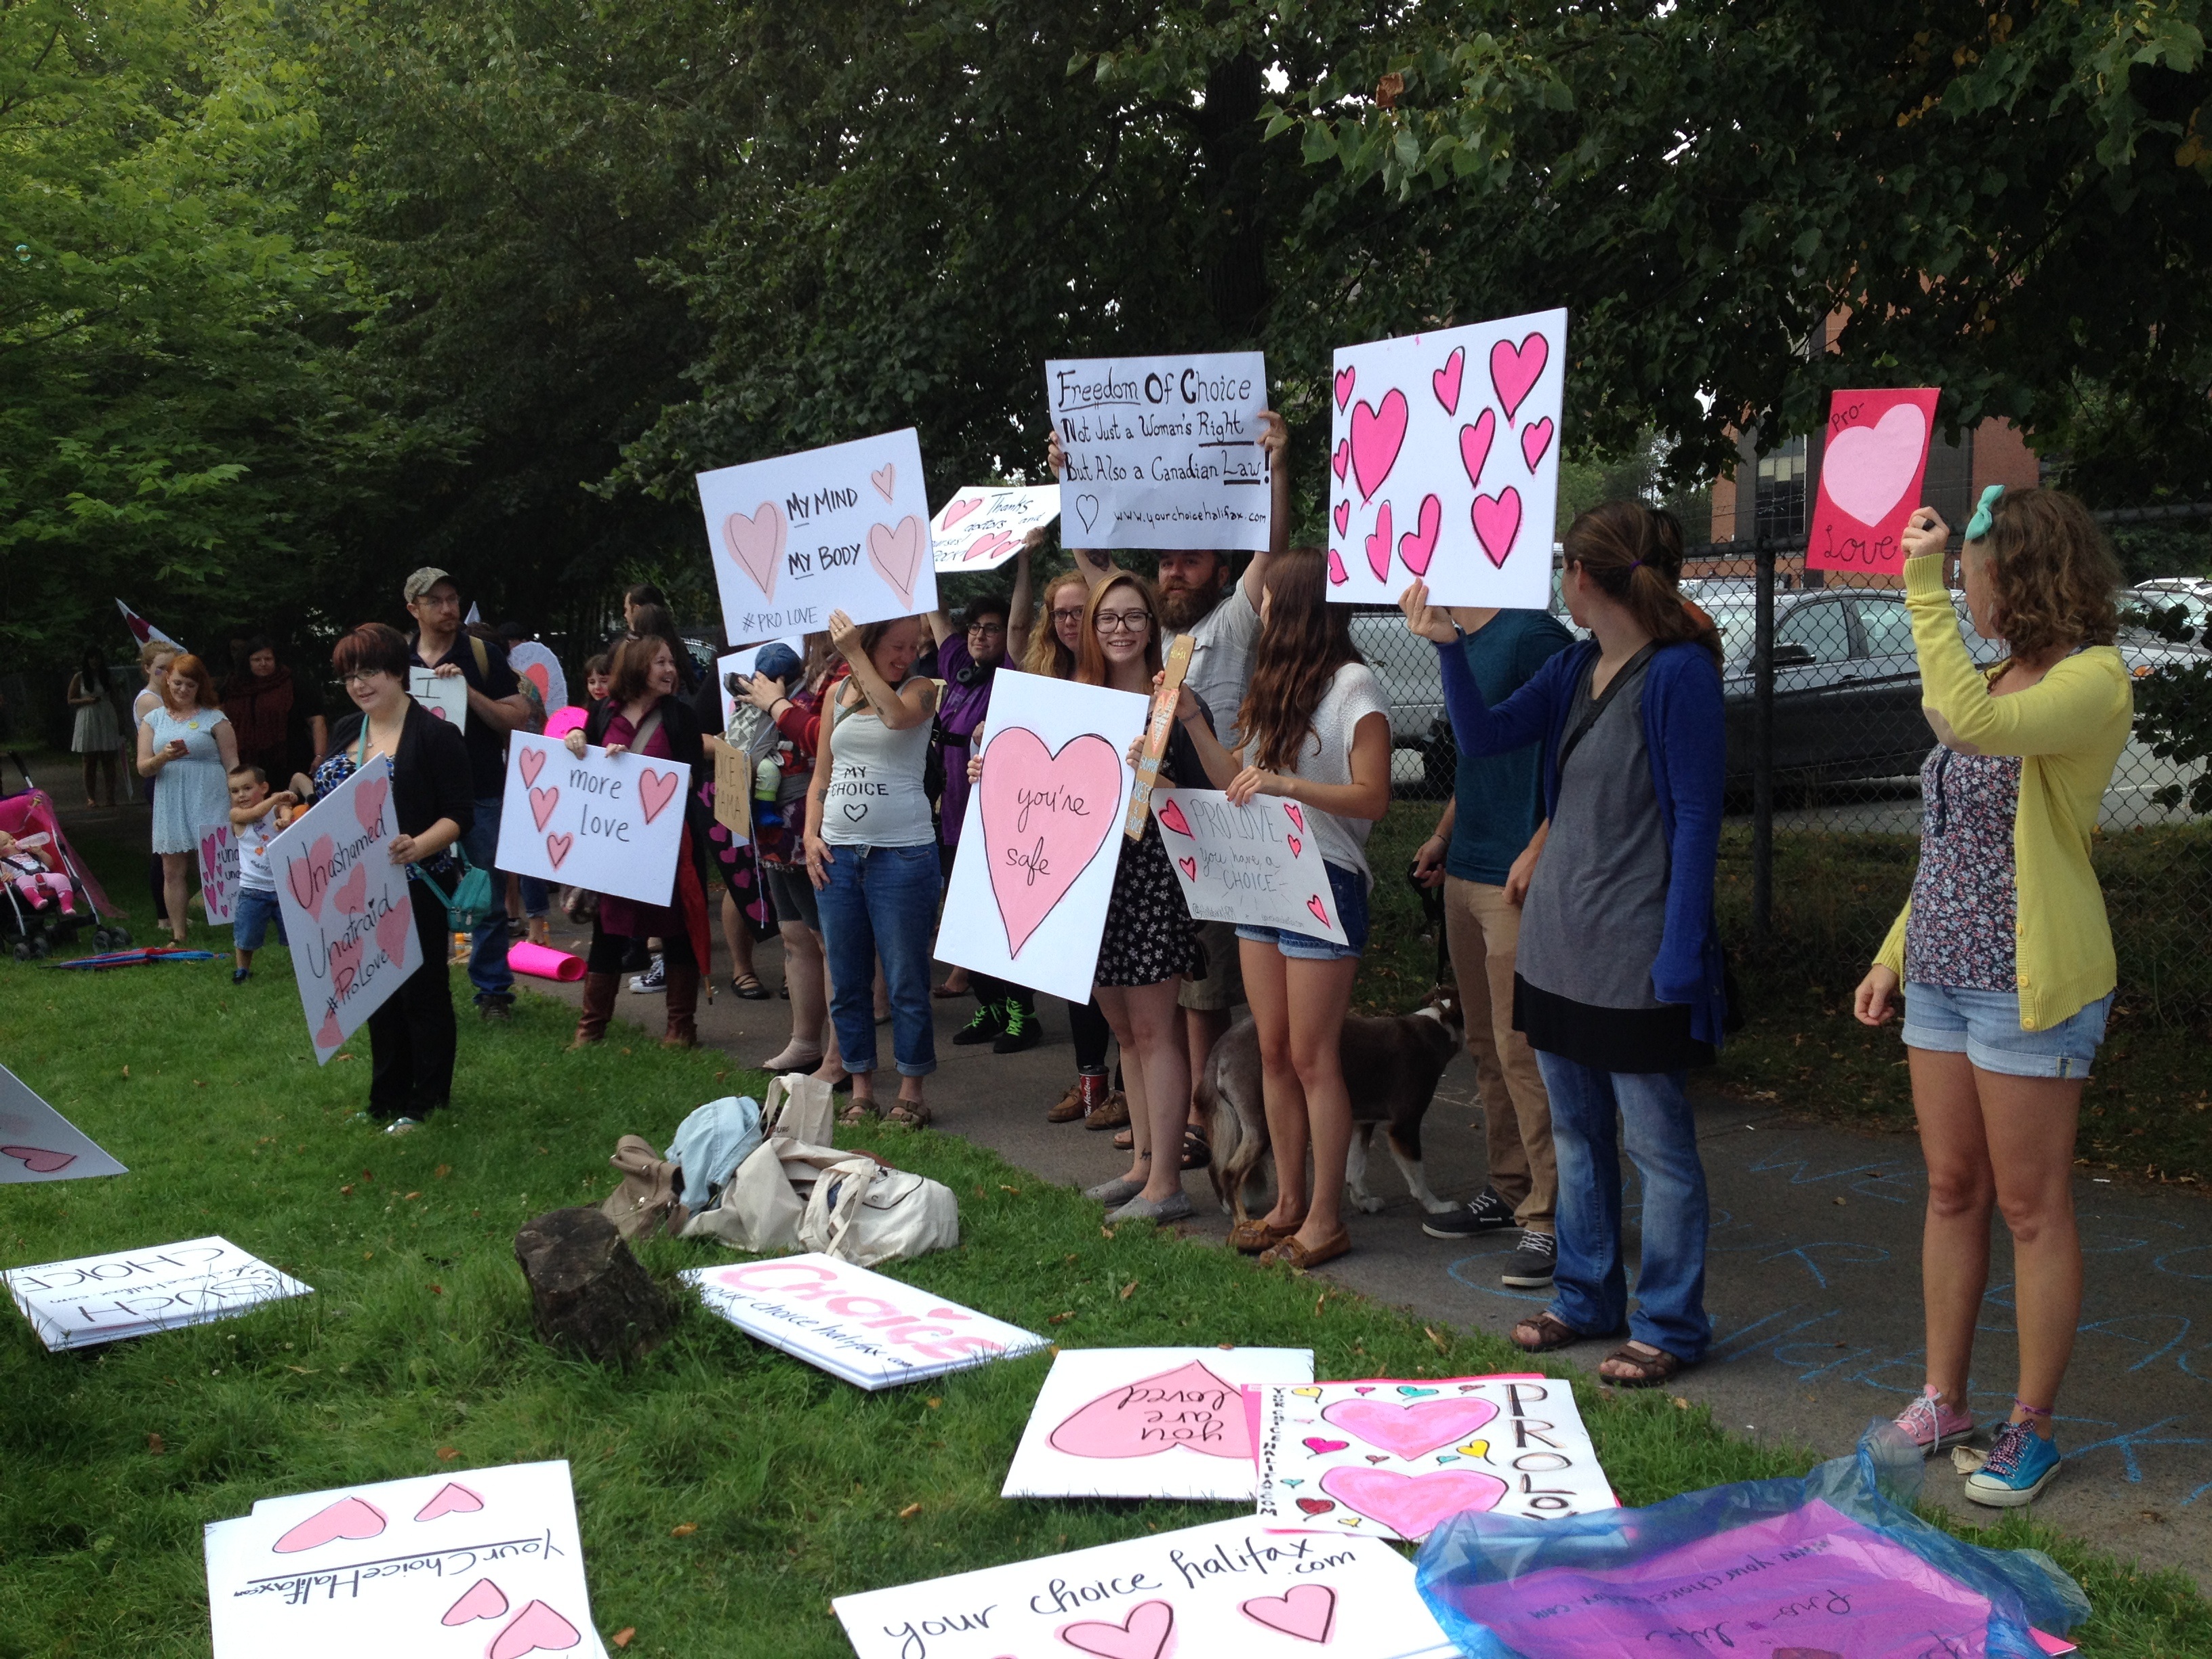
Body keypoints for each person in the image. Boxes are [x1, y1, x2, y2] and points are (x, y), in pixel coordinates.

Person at [1403, 500, 1728, 1389]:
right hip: (1559, 944)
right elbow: (1481, 738)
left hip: (1636, 951)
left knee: (1658, 1148)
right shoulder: (1581, 663)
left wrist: (1683, 949)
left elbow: (1698, 820)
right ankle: (1587, 1299)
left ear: (1585, 577)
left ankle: (1669, 1322)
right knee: (1579, 1137)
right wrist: (1445, 648)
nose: (1558, 583)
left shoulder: (1677, 676)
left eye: (1565, 569)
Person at [1851, 487, 2133, 1507]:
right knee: (1951, 1191)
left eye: (1970, 575)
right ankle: (1944, 1400)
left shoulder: (2095, 681)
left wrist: (1917, 590)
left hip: (2029, 982)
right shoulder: (1990, 670)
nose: (1961, 593)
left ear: (2022, 574)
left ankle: (2034, 1426)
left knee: (2029, 1205)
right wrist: (1894, 950)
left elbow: (1970, 730)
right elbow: (1951, 843)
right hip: (1940, 971)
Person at [1054, 410, 1292, 1150]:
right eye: (1165, 564)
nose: (1174, 572)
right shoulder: (1136, 634)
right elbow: (1098, 573)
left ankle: (1202, 1119)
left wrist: (1276, 470)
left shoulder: (1231, 625)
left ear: (1219, 570)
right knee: (1171, 997)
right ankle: (1179, 1119)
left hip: (1214, 821)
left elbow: (1270, 546)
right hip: (1139, 833)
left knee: (1208, 988)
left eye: (1190, 561)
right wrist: (1071, 473)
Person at [1171, 548, 1392, 1263]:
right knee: (1271, 1049)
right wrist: (1195, 722)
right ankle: (1291, 1200)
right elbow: (1239, 778)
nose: (1257, 609)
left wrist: (1287, 788)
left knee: (1311, 1056)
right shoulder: (1274, 684)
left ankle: (1326, 1218)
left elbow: (1373, 797)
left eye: (1268, 601)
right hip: (1265, 875)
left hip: (1325, 878)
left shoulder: (1356, 686)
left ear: (1295, 608)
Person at [1410, 598, 1575, 1288]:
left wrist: (1542, 842)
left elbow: (1571, 748)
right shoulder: (1455, 636)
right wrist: (1445, 834)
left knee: (1521, 1049)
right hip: (1467, 867)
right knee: (1482, 1044)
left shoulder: (1533, 635)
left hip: (1513, 876)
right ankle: (1508, 1188)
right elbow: (1481, 755)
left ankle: (1552, 1215)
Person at [1061, 572, 1210, 1222]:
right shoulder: (1072, 699)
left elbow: (1203, 796)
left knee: (1155, 1031)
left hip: (1148, 879)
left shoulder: (1173, 701)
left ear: (1154, 626)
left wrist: (1156, 775)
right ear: (1090, 630)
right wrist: (992, 767)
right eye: (1107, 619)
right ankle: (1144, 1166)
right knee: (1123, 1030)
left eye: (1134, 618)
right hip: (1087, 880)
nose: (1120, 630)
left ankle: (1168, 1185)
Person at [310, 624, 472, 1132]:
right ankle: (385, 1097)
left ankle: (427, 1101)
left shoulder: (435, 734)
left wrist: (417, 845)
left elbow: (458, 815)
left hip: (419, 882)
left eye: (369, 672)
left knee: (421, 992)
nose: (359, 685)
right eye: (349, 677)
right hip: (357, 887)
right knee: (375, 991)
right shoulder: (345, 730)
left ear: (398, 672)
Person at [806, 609, 940, 1124]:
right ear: (872, 638)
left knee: (906, 977)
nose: (906, 656)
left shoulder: (922, 689)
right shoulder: (836, 695)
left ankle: (912, 1091)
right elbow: (824, 775)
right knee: (848, 978)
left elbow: (895, 718)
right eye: (898, 646)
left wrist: (857, 655)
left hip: (902, 855)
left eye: (914, 646)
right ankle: (860, 1085)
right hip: (839, 856)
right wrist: (810, 835)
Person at [565, 634, 714, 1049]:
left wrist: (637, 767)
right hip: (615, 844)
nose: (670, 670)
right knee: (609, 929)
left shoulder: (680, 717)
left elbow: (691, 780)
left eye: (671, 662)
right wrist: (578, 743)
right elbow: (587, 776)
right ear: (636, 668)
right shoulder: (600, 713)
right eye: (660, 663)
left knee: (676, 928)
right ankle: (590, 1030)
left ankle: (680, 1028)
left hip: (665, 844)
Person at [1019, 570, 1128, 1132]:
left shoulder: (1116, 674)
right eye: (1061, 613)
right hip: (1060, 839)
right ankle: (1091, 1082)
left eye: (1081, 612)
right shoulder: (1039, 676)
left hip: (1115, 840)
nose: (1070, 622)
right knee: (1076, 969)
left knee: (1122, 973)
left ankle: (1127, 1090)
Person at [403, 568, 534, 1021]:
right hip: (418, 801)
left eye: (453, 598)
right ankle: (423, 985)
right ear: (413, 609)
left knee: (490, 897)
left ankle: (493, 992)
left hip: (481, 793)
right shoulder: (398, 662)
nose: (448, 608)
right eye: (436, 601)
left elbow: (518, 719)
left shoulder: (482, 654)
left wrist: (467, 692)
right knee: (420, 894)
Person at [928, 544, 1042, 1051]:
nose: (980, 634)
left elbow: (1020, 623)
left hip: (994, 818)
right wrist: (914, 557)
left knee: (998, 919)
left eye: (989, 629)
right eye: (975, 626)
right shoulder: (956, 667)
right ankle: (990, 1008)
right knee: (966, 919)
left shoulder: (1013, 677)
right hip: (950, 813)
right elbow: (933, 611)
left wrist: (1023, 562)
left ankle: (1023, 1013)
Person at [753, 635, 848, 1078]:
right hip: (775, 832)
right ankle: (806, 1042)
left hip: (810, 830)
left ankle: (841, 1052)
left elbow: (817, 739)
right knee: (794, 938)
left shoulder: (846, 673)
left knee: (829, 944)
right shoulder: (810, 670)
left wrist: (776, 705)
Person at [136, 654, 238, 945]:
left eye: (190, 685)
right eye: (178, 682)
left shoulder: (215, 718)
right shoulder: (153, 719)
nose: (182, 690)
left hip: (209, 792)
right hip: (170, 794)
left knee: (218, 860)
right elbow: (143, 767)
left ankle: (235, 924)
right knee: (172, 868)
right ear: (167, 679)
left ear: (199, 686)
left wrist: (237, 803)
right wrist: (163, 757)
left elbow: (232, 764)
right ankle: (179, 933)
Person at [222, 637, 328, 786]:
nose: (263, 663)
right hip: (248, 765)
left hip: (291, 760)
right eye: (257, 659)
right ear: (248, 662)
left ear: (276, 660)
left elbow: (316, 720)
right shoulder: (234, 688)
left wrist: (320, 755)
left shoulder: (293, 683)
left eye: (268, 659)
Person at [225, 763, 295, 983]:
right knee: (246, 935)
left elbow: (285, 808)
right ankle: (242, 969)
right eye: (235, 791)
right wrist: (276, 799)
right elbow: (257, 812)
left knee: (295, 933)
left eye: (247, 788)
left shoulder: (273, 810)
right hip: (253, 888)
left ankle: (304, 967)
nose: (241, 795)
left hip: (284, 886)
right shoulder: (237, 815)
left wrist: (286, 815)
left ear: (263, 787)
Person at [129, 640, 182, 924]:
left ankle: (176, 909)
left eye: (171, 668)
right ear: (147, 668)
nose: (166, 674)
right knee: (166, 847)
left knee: (178, 847)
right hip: (158, 776)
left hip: (175, 775)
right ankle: (164, 916)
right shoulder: (150, 700)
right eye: (160, 669)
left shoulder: (170, 696)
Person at [67, 649, 122, 808]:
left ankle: (110, 796)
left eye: (97, 657)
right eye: (91, 657)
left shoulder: (108, 676)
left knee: (108, 758)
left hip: (105, 715)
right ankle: (91, 797)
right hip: (88, 716)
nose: (94, 660)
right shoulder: (80, 677)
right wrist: (87, 701)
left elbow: (116, 698)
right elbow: (70, 700)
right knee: (89, 759)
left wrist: (121, 720)